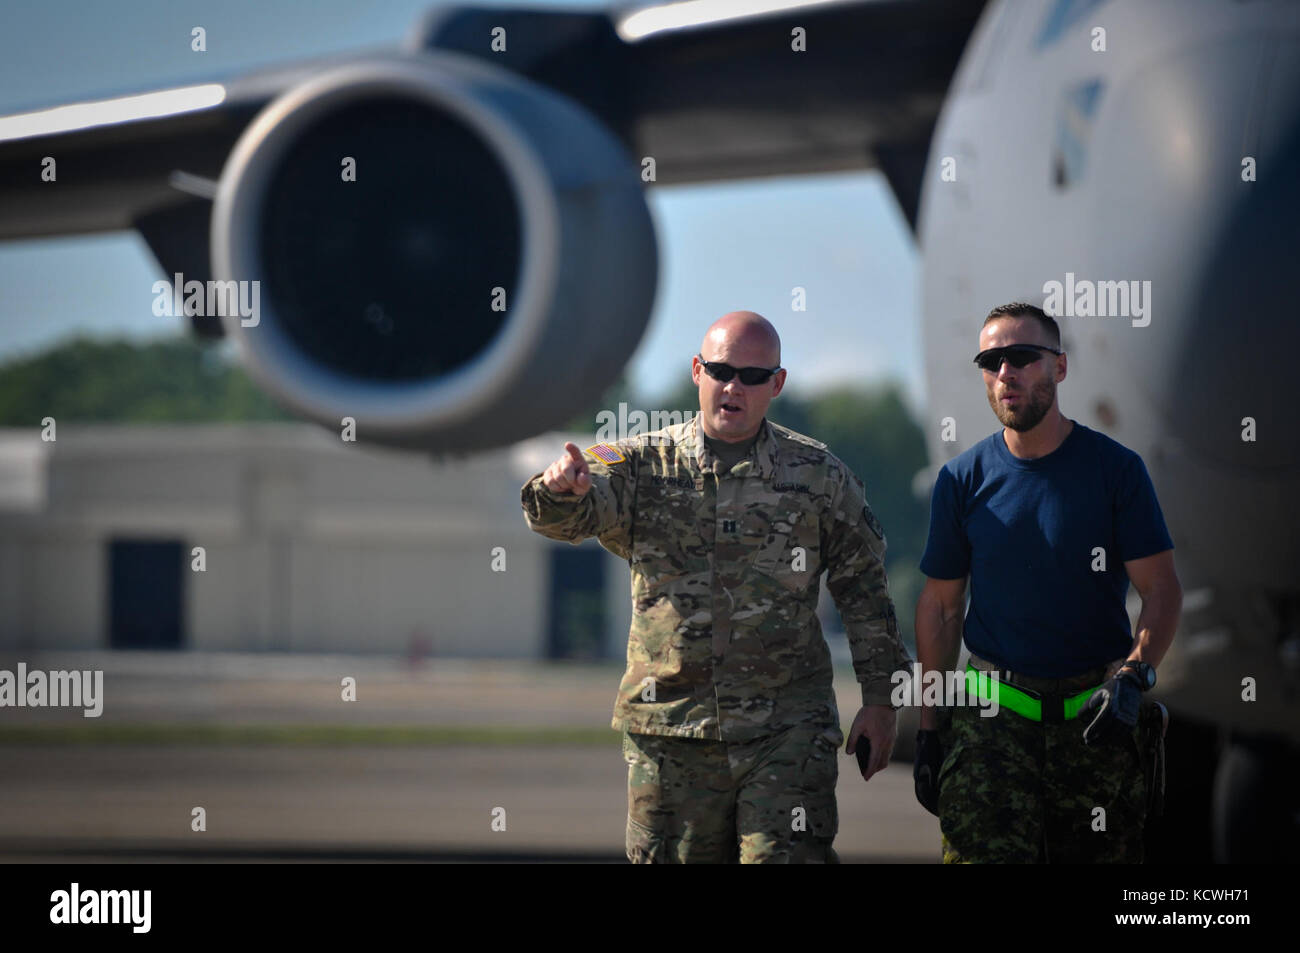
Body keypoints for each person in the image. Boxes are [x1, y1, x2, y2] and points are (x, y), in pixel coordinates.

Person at [520, 310, 910, 863]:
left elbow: (865, 590)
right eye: (722, 371)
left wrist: (881, 700)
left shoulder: (819, 476)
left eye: (753, 376)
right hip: (673, 732)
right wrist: (563, 489)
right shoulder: (639, 462)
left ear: (776, 384)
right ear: (698, 371)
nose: (734, 387)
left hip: (787, 731)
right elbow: (575, 510)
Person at [912, 301, 1182, 863]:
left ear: (1059, 368)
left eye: (1021, 357)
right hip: (991, 730)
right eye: (991, 361)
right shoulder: (960, 481)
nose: (1005, 373)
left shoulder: (1116, 471)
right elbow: (940, 608)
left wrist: (1134, 674)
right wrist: (931, 728)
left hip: (1096, 726)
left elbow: (1161, 591)